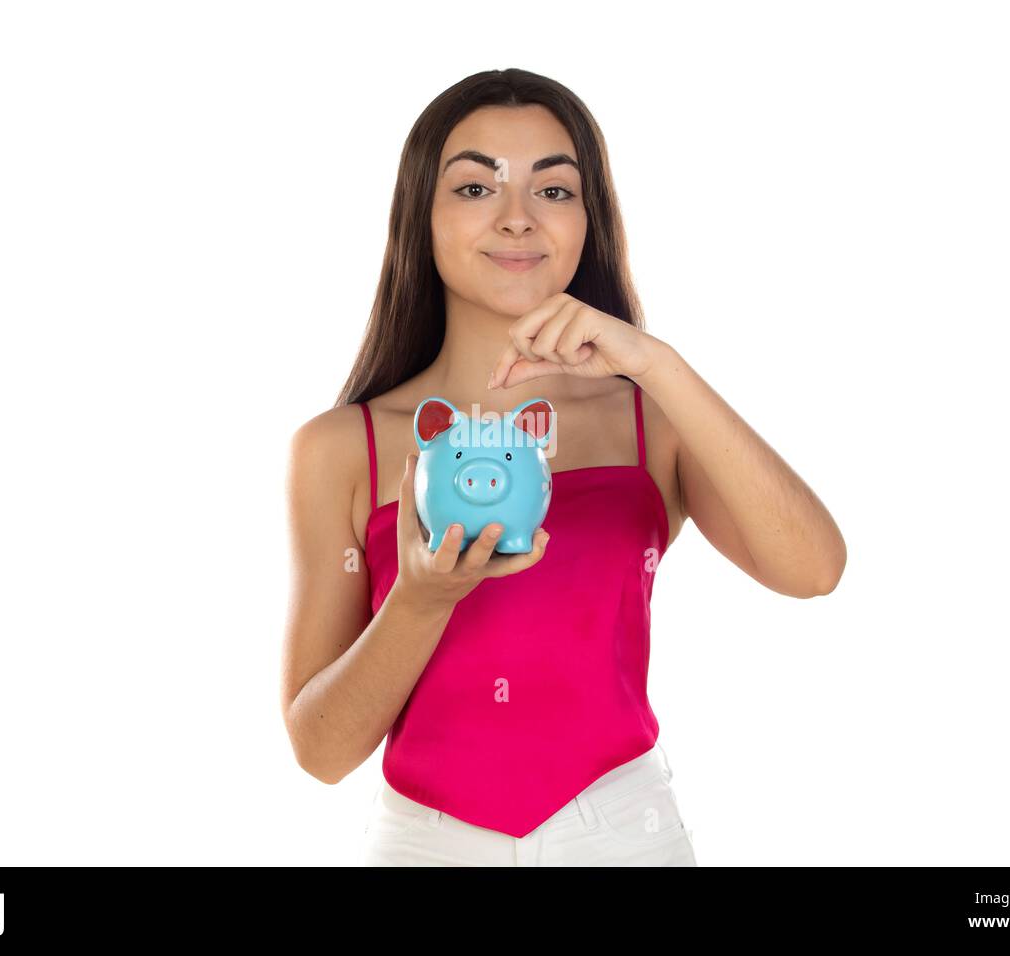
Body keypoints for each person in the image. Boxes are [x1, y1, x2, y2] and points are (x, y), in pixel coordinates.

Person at [281, 68, 847, 866]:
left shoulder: (652, 420)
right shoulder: (342, 447)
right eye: (476, 188)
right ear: (422, 215)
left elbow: (814, 569)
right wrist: (421, 600)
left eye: (554, 190)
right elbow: (321, 750)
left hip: (625, 836)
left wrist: (657, 365)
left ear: (590, 219)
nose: (517, 219)